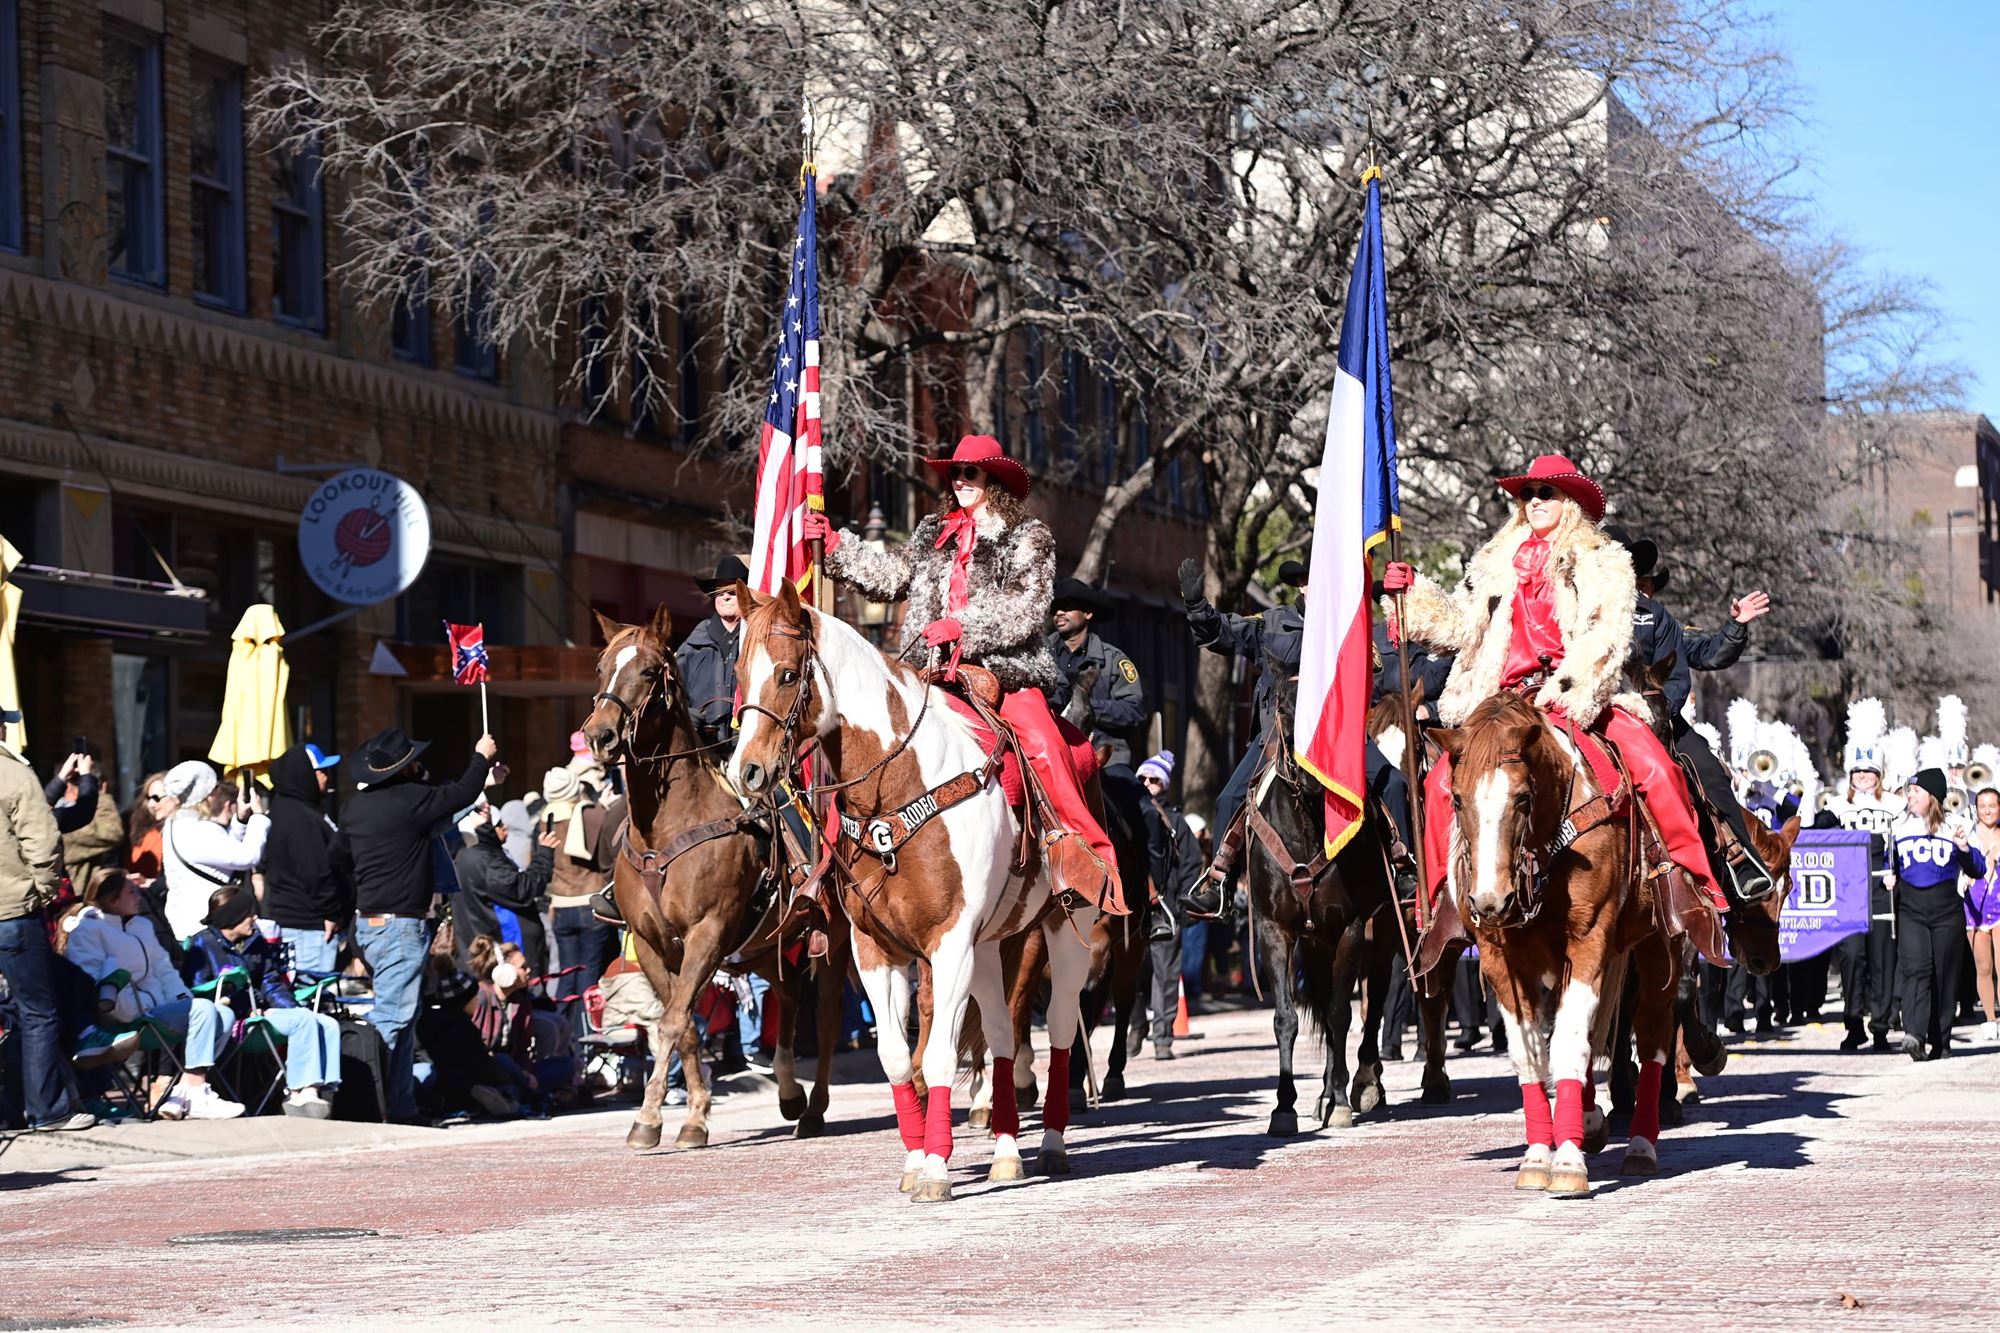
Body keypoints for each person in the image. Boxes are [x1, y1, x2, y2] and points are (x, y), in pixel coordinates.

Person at [1382, 453, 1727, 922]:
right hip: (1504, 702)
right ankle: (1438, 908)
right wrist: (1411, 599)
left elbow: (1606, 635)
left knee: (1657, 767)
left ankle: (1688, 890)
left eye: (1547, 492)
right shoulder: (1495, 561)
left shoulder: (1603, 561)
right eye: (1528, 493)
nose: (1535, 500)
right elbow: (1462, 625)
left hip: (1574, 695)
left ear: (1571, 503)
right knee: (1441, 781)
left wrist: (1567, 691)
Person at [804, 433, 1120, 907]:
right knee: (864, 747)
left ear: (992, 479)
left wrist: (962, 627)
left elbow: (1026, 607)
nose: (960, 480)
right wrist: (834, 545)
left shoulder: (1029, 537)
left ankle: (1078, 859)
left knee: (1047, 744)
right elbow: (891, 576)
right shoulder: (934, 532)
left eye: (970, 472)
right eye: (955, 473)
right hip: (928, 674)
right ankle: (831, 868)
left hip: (1003, 672)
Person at [1179, 558, 1413, 917]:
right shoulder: (1273, 622)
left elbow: (1375, 677)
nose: (1311, 587)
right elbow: (1224, 632)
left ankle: (1402, 866)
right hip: (1278, 735)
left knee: (1394, 784)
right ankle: (1220, 883)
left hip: (1338, 732)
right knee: (1228, 798)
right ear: (1300, 585)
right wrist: (1197, 606)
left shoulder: (1350, 625)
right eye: (1306, 581)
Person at [330, 725, 496, 1123]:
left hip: (368, 925)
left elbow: (337, 861)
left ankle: (399, 1105)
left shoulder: (355, 808)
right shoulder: (411, 801)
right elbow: (457, 793)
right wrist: (481, 757)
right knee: (393, 1019)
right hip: (398, 927)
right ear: (403, 768)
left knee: (405, 1018)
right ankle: (373, 1102)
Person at [1609, 528, 1774, 896]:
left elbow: (1686, 668)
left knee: (1709, 771)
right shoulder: (1566, 606)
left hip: (1651, 718)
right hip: (1584, 713)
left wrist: (1735, 628)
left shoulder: (1657, 618)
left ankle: (1739, 859)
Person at [65, 870, 242, 1120]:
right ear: (112, 899)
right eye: (131, 892)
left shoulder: (142, 926)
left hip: (155, 1009)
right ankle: (194, 1092)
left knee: (222, 1013)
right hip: (121, 1015)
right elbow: (89, 980)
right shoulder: (89, 929)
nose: (139, 896)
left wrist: (182, 1000)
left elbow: (164, 969)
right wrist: (127, 1006)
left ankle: (186, 1091)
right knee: (202, 1010)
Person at [182, 885, 344, 1117]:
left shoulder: (256, 942)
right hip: (232, 1021)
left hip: (261, 1013)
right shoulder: (203, 943)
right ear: (233, 916)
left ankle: (315, 1091)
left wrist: (291, 1008)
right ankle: (297, 1091)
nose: (255, 918)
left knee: (326, 1023)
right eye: (249, 913)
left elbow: (271, 983)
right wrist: (247, 1007)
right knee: (304, 1021)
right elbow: (198, 991)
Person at [0, 732, 93, 1131]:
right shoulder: (14, 773)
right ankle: (48, 1111)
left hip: (14, 909)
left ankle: (16, 1108)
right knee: (37, 1012)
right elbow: (44, 839)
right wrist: (43, 890)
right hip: (13, 911)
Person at [1824, 707, 1902, 1053]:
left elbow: (1904, 846)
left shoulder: (1897, 806)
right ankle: (1854, 1024)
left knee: (1883, 959)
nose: (1863, 777)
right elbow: (1815, 836)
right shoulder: (1838, 806)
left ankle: (1881, 1026)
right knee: (1853, 958)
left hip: (1882, 888)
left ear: (1879, 774)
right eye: (1857, 771)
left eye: (1869, 772)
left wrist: (1896, 875)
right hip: (1849, 893)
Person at [1891, 767, 1982, 1060]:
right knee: (1916, 969)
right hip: (1912, 909)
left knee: (1944, 975)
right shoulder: (1899, 826)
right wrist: (1888, 877)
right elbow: (1889, 863)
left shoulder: (1958, 825)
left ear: (1933, 796)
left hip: (1946, 909)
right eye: (1909, 791)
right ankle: (1914, 1034)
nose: (1910, 796)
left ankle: (1940, 1040)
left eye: (1916, 791)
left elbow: (1977, 869)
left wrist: (1965, 848)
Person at [541, 764, 624, 1019]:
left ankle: (562, 1036)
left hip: (561, 907)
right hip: (589, 906)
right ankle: (584, 1036)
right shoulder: (589, 814)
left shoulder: (546, 820)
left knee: (567, 976)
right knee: (589, 976)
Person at [262, 743, 350, 976]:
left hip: (296, 921)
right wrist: (332, 912)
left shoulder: (285, 809)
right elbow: (316, 871)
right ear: (304, 776)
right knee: (311, 1001)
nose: (328, 777)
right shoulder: (301, 818)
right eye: (322, 771)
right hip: (309, 926)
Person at [158, 760, 270, 943]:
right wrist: (258, 818)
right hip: (199, 929)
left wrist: (240, 821)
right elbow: (248, 857)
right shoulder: (196, 830)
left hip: (189, 924)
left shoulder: (177, 824)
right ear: (209, 794)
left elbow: (225, 854)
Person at [1136, 750, 1199, 1060]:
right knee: (1129, 973)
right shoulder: (1128, 814)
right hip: (1132, 907)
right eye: (1143, 778)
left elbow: (1192, 865)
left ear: (1165, 785)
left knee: (1165, 976)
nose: (1147, 783)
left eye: (1155, 780)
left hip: (1166, 908)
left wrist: (1182, 905)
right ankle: (1133, 1029)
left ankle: (1162, 1038)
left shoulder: (1176, 823)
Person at [452, 797, 557, 976]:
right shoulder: (484, 860)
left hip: (483, 950)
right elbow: (522, 889)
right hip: (503, 953)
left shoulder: (468, 855)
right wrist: (544, 856)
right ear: (486, 829)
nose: (505, 827)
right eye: (499, 823)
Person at [678, 554, 751, 753]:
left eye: (732, 591)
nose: (725, 596)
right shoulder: (690, 648)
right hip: (700, 751)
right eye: (719, 592)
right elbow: (673, 696)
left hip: (750, 752)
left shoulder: (759, 643)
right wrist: (688, 715)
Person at [1964, 787, 2000, 1042]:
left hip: (1999, 907)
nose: (1987, 810)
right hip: (1974, 909)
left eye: (1992, 805)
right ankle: (1990, 1019)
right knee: (1983, 966)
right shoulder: (1968, 836)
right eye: (1982, 805)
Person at [125, 770, 170, 884]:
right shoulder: (141, 828)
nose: (151, 804)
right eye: (148, 798)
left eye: (156, 798)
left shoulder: (186, 831)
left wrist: (152, 883)